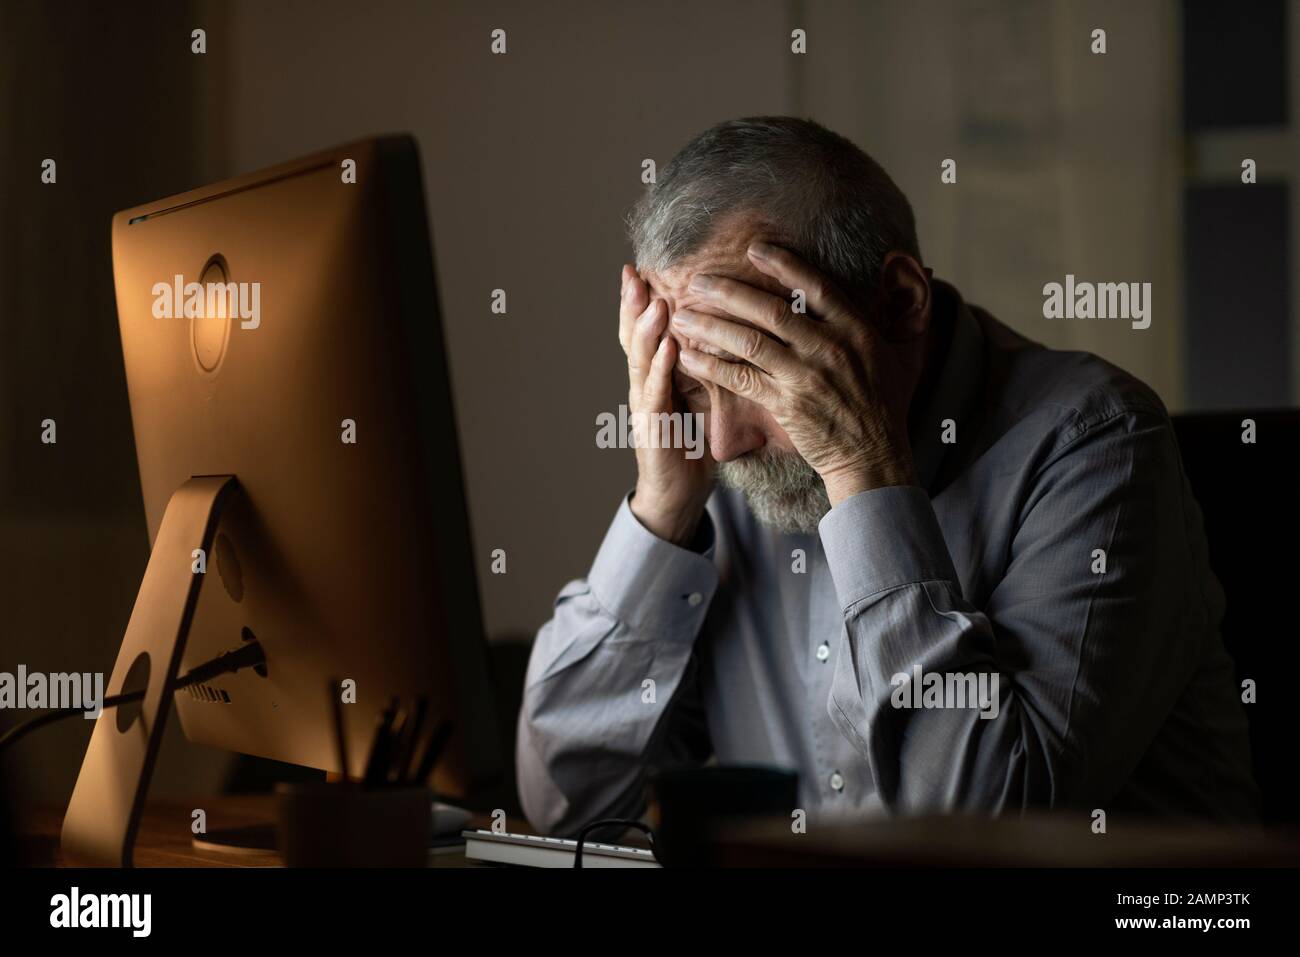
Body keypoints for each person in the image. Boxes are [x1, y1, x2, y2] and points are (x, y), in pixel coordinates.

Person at [516, 116, 1258, 836]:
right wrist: (661, 509)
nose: (722, 440)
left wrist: (862, 475)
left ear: (899, 301)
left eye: (760, 373)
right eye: (692, 389)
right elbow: (569, 806)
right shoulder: (721, 469)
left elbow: (982, 835)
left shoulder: (1097, 442)